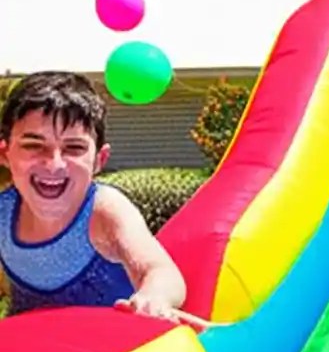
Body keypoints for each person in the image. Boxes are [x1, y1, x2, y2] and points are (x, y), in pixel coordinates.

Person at [0, 71, 190, 320]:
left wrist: (155, 297)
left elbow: (160, 271)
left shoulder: (103, 210)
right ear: (5, 154)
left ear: (99, 160)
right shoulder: (4, 213)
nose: (54, 164)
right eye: (34, 145)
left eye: (74, 148)